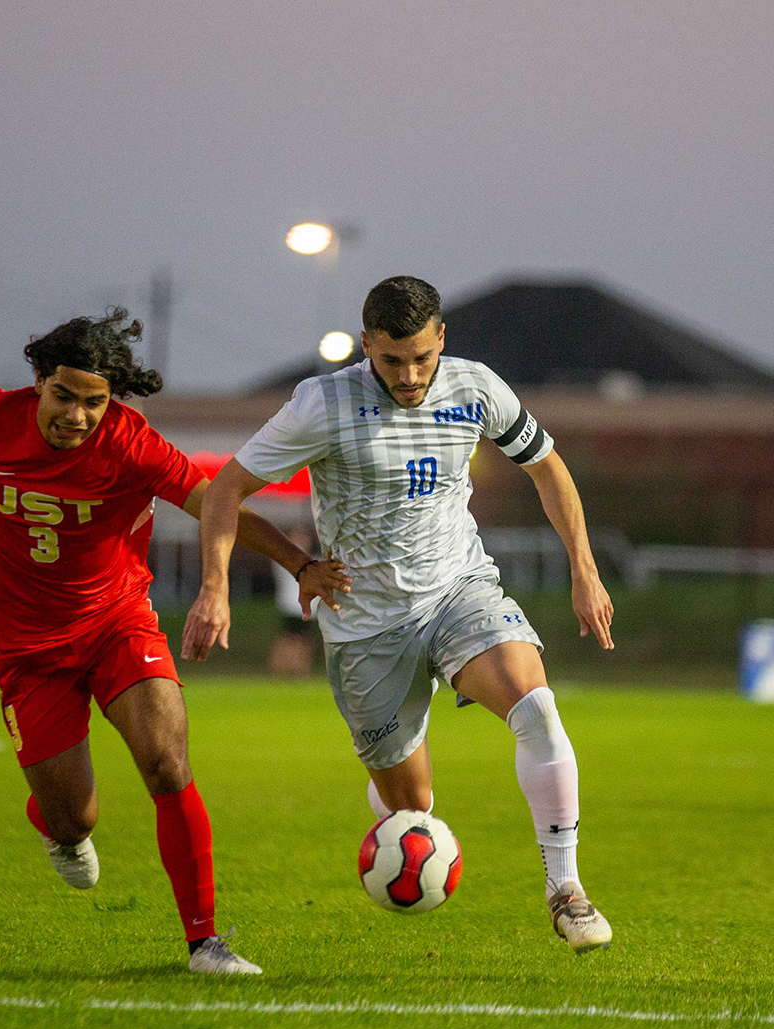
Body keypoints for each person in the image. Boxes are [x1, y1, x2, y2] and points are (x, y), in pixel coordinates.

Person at [0, 308, 344, 974]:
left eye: (94, 402)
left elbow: (220, 504)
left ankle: (205, 944)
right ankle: (56, 823)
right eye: (65, 396)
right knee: (75, 819)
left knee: (166, 762)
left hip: (116, 623)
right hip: (27, 649)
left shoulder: (132, 444)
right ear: (39, 383)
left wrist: (300, 566)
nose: (77, 415)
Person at [184, 276, 617, 953]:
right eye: (392, 361)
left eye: (422, 357)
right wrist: (219, 586)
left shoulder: (475, 387)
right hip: (365, 625)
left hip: (457, 590)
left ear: (442, 337)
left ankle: (566, 889)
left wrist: (585, 571)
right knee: (414, 806)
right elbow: (225, 489)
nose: (411, 375)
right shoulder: (322, 404)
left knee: (535, 707)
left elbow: (548, 468)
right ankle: (395, 815)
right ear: (366, 347)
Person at [267, 527, 318, 679]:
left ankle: (292, 669)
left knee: (297, 639)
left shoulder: (304, 560)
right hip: (294, 606)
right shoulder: (287, 561)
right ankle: (288, 669)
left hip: (302, 607)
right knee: (294, 640)